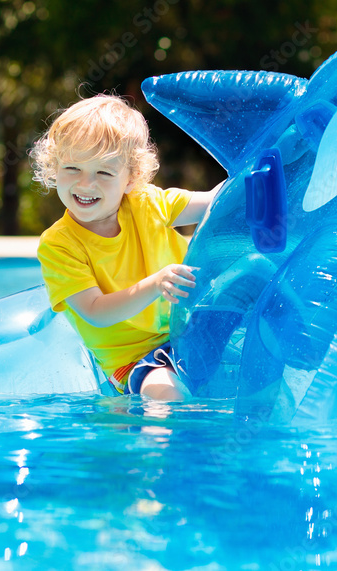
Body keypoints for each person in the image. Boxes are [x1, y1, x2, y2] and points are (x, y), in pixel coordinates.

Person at [32, 95, 219, 400]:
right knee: (161, 390)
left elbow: (214, 204)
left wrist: (256, 174)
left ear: (131, 178)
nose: (85, 184)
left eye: (103, 172)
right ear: (54, 168)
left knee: (254, 273)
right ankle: (159, 445)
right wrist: (156, 283)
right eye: (72, 168)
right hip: (134, 358)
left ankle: (303, 354)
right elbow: (96, 313)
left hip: (189, 331)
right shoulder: (59, 244)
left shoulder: (148, 203)